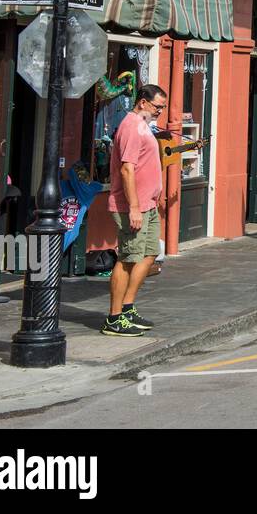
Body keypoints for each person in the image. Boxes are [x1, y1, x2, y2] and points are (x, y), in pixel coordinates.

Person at [101, 84, 168, 337]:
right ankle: (114, 318)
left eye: (162, 107)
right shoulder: (131, 127)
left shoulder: (143, 127)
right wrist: (135, 208)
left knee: (149, 255)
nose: (160, 112)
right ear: (142, 102)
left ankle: (127, 308)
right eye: (157, 107)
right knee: (128, 259)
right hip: (133, 206)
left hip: (148, 204)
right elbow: (127, 169)